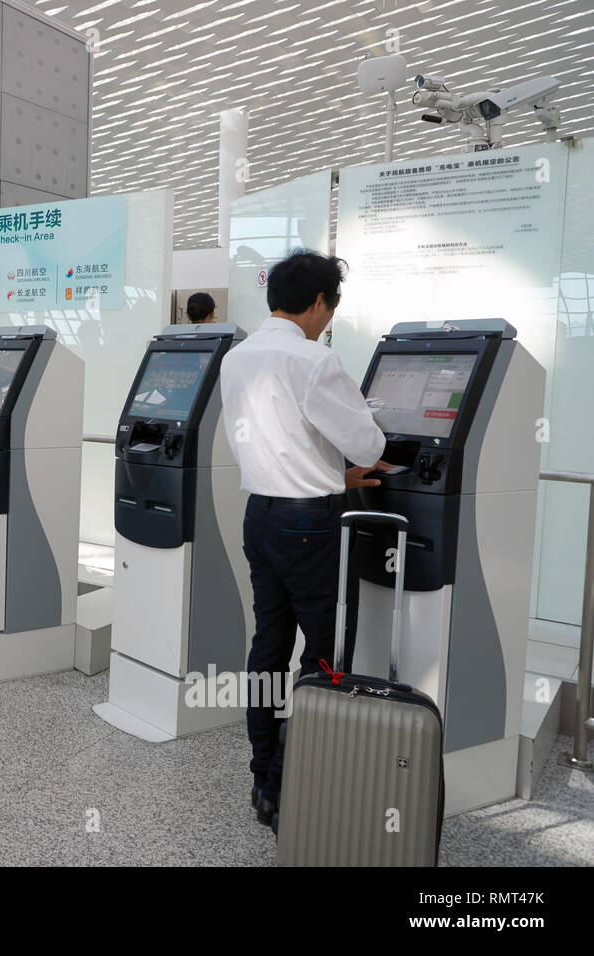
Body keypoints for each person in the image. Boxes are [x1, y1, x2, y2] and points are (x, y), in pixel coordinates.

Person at [218, 249, 391, 833]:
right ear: (318, 302)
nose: (328, 319)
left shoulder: (237, 358)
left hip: (261, 516)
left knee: (269, 644)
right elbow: (369, 445)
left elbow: (271, 439)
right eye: (330, 308)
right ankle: (298, 780)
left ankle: (264, 775)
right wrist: (342, 471)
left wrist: (328, 474)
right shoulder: (315, 360)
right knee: (324, 651)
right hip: (311, 526)